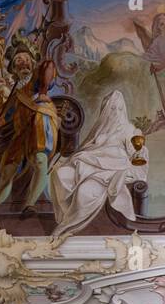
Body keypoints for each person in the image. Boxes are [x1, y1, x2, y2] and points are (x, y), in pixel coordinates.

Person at [48, 91, 147, 237]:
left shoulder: (129, 130)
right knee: (60, 174)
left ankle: (68, 225)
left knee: (84, 192)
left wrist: (138, 152)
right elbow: (87, 147)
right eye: (112, 109)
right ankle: (64, 216)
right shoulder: (101, 129)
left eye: (119, 109)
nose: (116, 113)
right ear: (105, 110)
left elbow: (136, 152)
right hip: (90, 163)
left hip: (110, 169)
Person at [0, 43, 60, 214]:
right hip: (21, 133)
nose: (22, 63)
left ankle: (29, 205)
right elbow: (1, 115)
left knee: (40, 160)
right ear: (13, 69)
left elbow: (49, 68)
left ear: (32, 62)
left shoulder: (37, 79)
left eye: (25, 59)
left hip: (38, 123)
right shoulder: (15, 92)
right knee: (6, 175)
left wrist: (44, 88)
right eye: (17, 60)